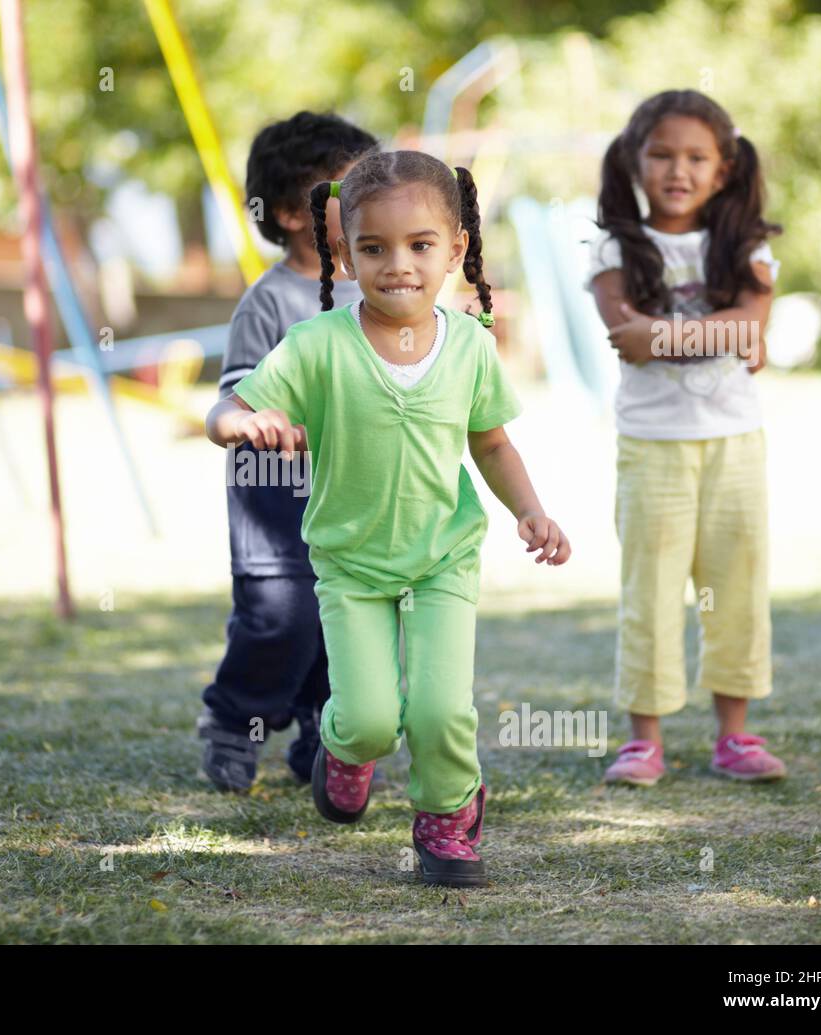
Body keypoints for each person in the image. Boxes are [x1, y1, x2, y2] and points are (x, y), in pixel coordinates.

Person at [205, 150, 570, 887]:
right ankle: (345, 749)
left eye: (420, 245)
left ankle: (447, 815)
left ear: (456, 250)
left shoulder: (469, 343)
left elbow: (491, 441)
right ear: (342, 251)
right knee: (371, 714)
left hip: (442, 557)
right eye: (373, 247)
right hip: (349, 560)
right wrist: (242, 422)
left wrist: (531, 511)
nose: (396, 264)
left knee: (440, 710)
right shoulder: (316, 346)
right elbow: (226, 408)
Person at [587, 89, 786, 786]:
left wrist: (664, 332)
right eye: (662, 154)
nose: (679, 169)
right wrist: (717, 331)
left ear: (724, 168)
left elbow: (749, 327)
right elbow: (627, 338)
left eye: (697, 156)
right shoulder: (612, 246)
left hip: (735, 442)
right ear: (635, 163)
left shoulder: (746, 244)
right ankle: (646, 739)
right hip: (652, 444)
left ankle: (735, 734)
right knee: (653, 586)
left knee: (736, 585)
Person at [197, 111, 379, 793]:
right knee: (283, 617)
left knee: (350, 619)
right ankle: (233, 716)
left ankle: (324, 736)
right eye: (347, 188)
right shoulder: (270, 301)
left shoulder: (387, 290)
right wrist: (250, 421)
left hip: (356, 492)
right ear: (289, 212)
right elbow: (229, 401)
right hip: (276, 495)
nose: (366, 200)